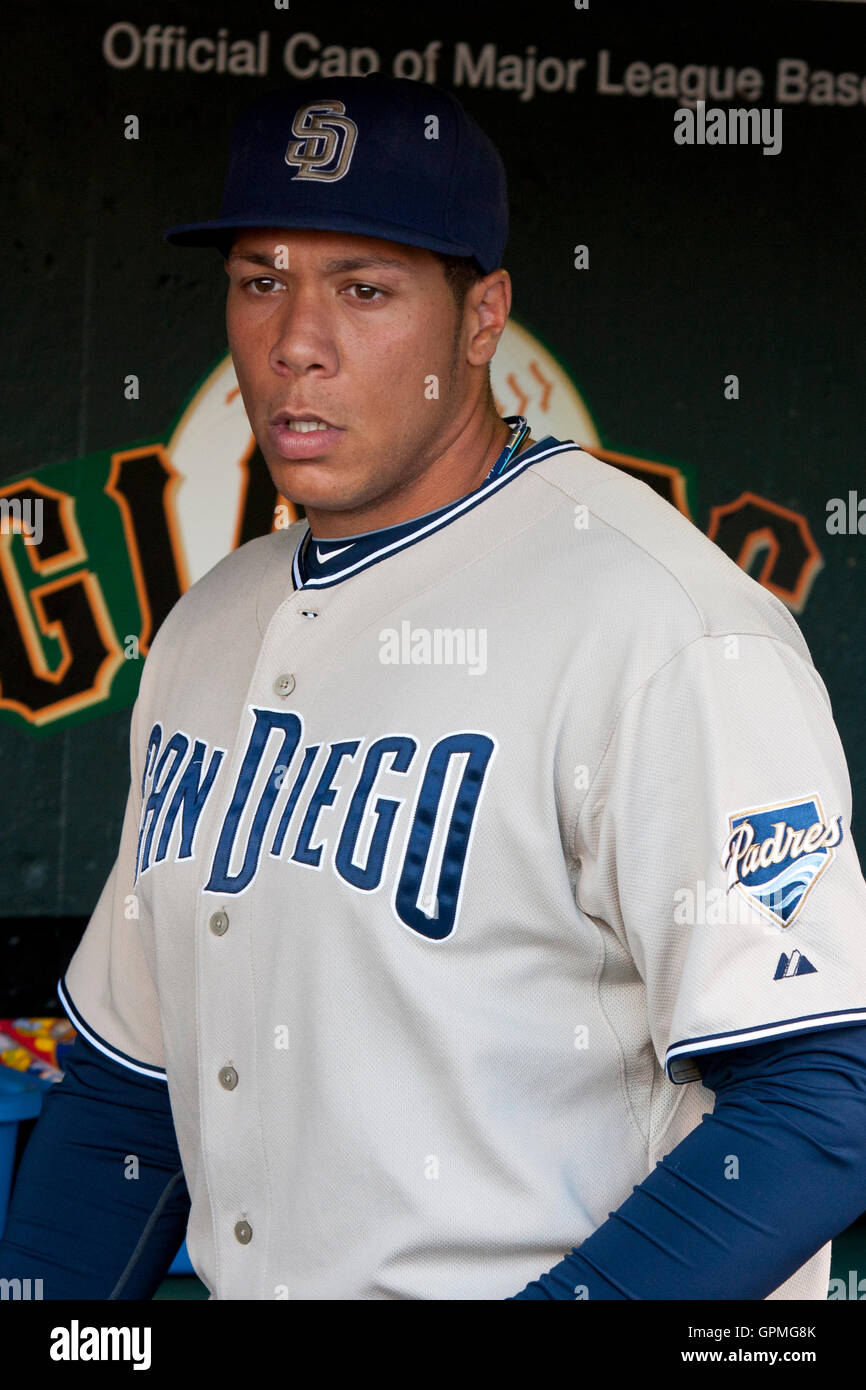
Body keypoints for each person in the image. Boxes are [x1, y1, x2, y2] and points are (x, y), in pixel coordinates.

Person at [2, 74, 866, 1301]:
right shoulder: (210, 626)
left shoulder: (662, 623)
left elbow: (823, 1095)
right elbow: (133, 1094)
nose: (296, 338)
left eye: (363, 286)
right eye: (261, 279)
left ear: (480, 317)